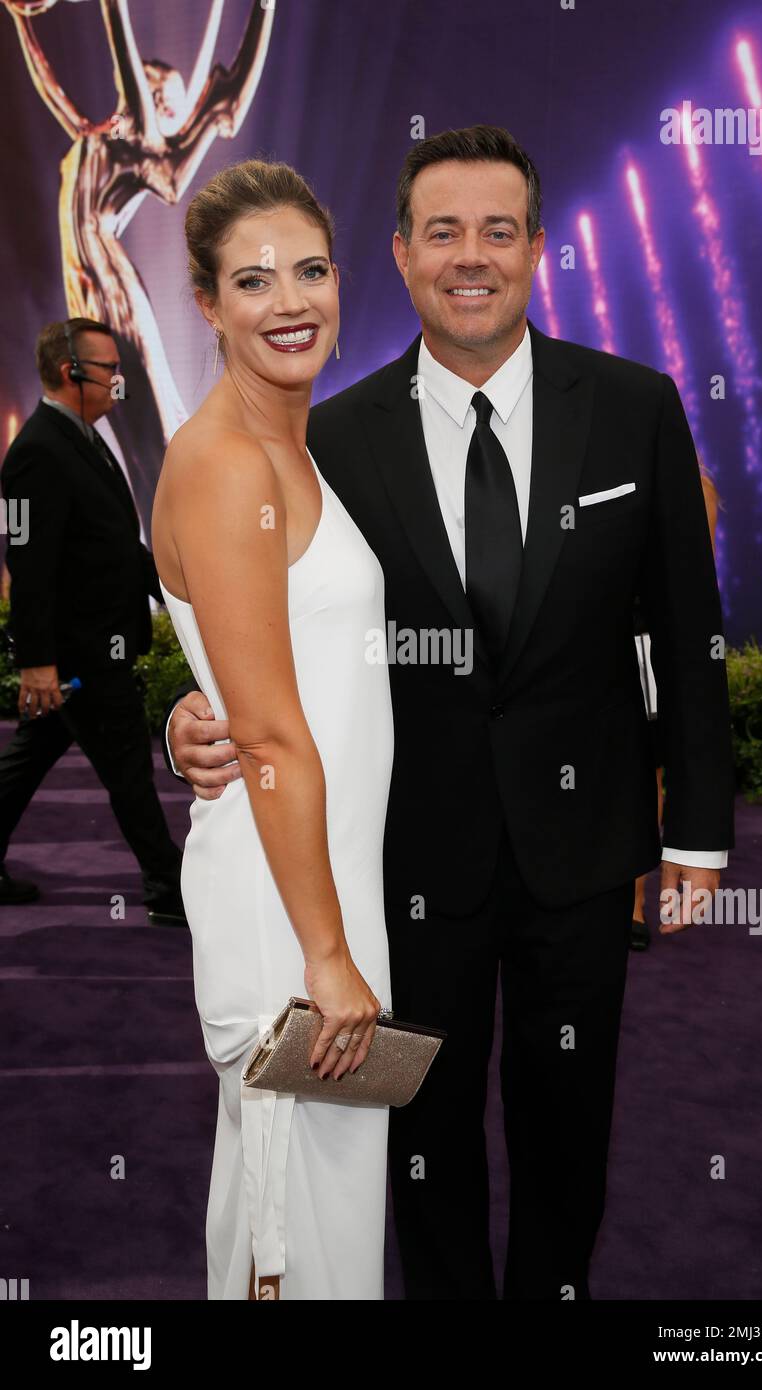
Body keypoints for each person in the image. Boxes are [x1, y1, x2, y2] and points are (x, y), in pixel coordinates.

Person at [162, 126, 736, 1300]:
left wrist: (699, 831)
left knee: (567, 1131)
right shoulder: (324, 432)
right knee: (412, 1149)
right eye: (441, 231)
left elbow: (688, 633)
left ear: (534, 248)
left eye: (495, 230)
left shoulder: (634, 407)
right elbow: (243, 626)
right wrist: (184, 715)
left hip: (584, 855)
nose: (469, 256)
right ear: (402, 254)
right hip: (401, 865)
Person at [150, 160, 393, 1301]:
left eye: (309, 269)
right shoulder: (224, 460)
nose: (289, 300)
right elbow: (275, 737)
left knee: (322, 1205)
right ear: (206, 304)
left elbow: (274, 676)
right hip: (286, 904)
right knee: (287, 1228)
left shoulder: (291, 446)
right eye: (252, 280)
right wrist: (329, 955)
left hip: (324, 878)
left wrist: (187, 714)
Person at [0, 318, 184, 925]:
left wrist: (175, 588)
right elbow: (27, 564)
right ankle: (167, 889)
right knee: (129, 767)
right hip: (81, 654)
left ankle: (165, 883)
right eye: (107, 368)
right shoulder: (37, 452)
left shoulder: (82, 437)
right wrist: (37, 661)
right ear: (68, 372)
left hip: (96, 645)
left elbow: (110, 542)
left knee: (32, 756)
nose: (118, 380)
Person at [630, 464, 722, 950]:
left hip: (646, 648)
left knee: (648, 772)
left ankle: (634, 901)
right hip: (583, 652)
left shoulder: (696, 488)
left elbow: (693, 579)